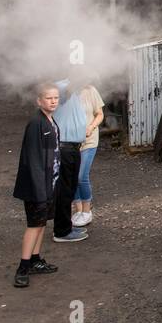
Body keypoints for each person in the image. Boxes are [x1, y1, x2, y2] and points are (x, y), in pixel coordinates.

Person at [12, 83, 62, 288]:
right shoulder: (35, 123)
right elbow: (32, 159)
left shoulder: (50, 119)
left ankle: (35, 260)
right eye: (49, 98)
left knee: (42, 223)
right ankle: (22, 268)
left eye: (56, 98)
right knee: (34, 225)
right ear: (39, 101)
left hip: (50, 182)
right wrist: (40, 190)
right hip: (37, 187)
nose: (53, 101)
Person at [51, 71, 91, 243]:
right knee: (64, 190)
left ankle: (66, 225)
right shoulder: (62, 87)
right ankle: (61, 231)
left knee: (69, 188)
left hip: (73, 148)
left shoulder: (75, 91)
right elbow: (66, 89)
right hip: (64, 148)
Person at [71, 75, 104, 227]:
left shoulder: (91, 91)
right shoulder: (66, 92)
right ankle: (77, 210)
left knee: (81, 176)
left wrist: (90, 127)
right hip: (71, 141)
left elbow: (100, 114)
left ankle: (87, 210)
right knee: (72, 176)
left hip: (89, 140)